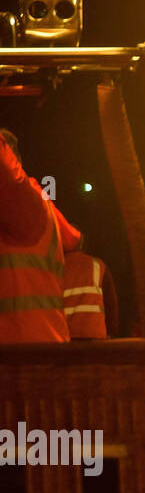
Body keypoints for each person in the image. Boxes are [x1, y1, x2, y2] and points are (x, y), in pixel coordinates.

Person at [0, 128, 74, 343]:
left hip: (24, 351)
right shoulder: (36, 205)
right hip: (39, 343)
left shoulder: (24, 203)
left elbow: (10, 179)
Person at [63, 247, 116, 340]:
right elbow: (111, 305)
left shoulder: (54, 267)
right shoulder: (97, 265)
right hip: (96, 336)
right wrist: (111, 333)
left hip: (65, 337)